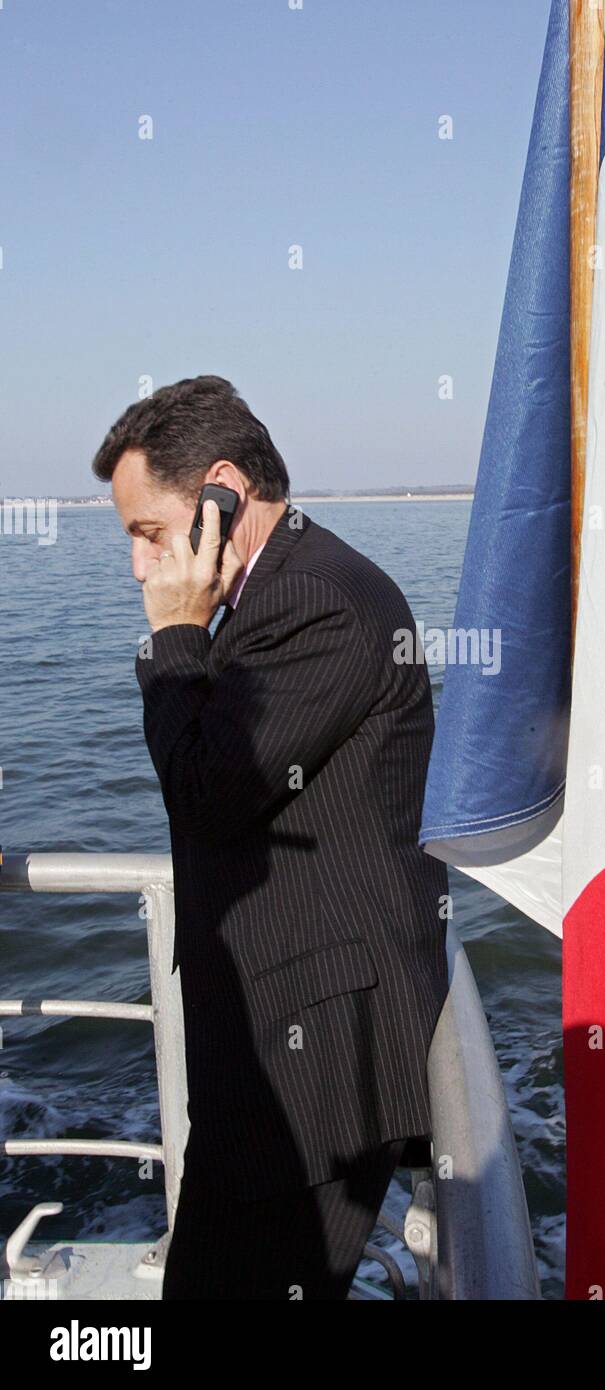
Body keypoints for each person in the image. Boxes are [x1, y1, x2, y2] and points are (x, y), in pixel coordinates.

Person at [91, 374, 450, 1299]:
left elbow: (208, 795)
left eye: (146, 532)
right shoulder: (271, 597)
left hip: (315, 1066)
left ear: (221, 492)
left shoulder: (316, 603)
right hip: (278, 1050)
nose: (139, 568)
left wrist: (175, 635)